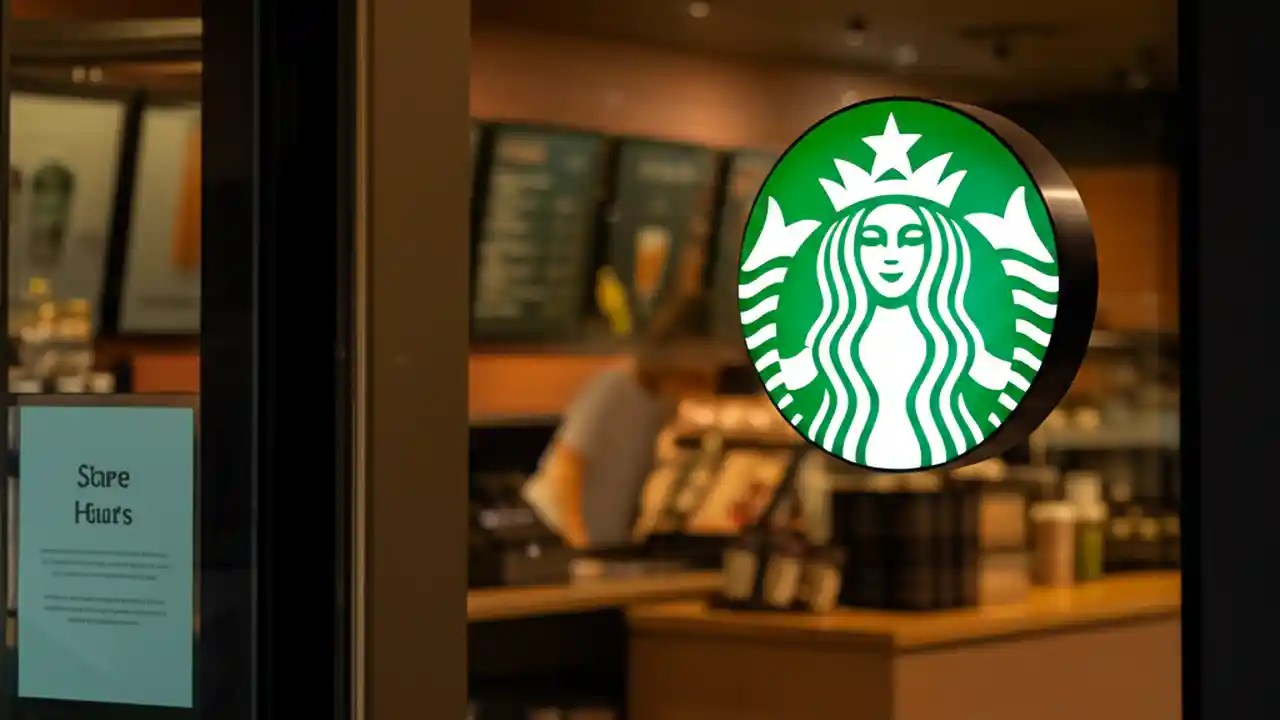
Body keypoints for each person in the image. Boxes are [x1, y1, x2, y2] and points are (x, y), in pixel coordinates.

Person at [522, 242, 711, 549]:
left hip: (606, 546)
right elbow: (568, 466)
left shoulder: (662, 403)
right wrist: (578, 542)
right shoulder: (614, 387)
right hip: (554, 535)